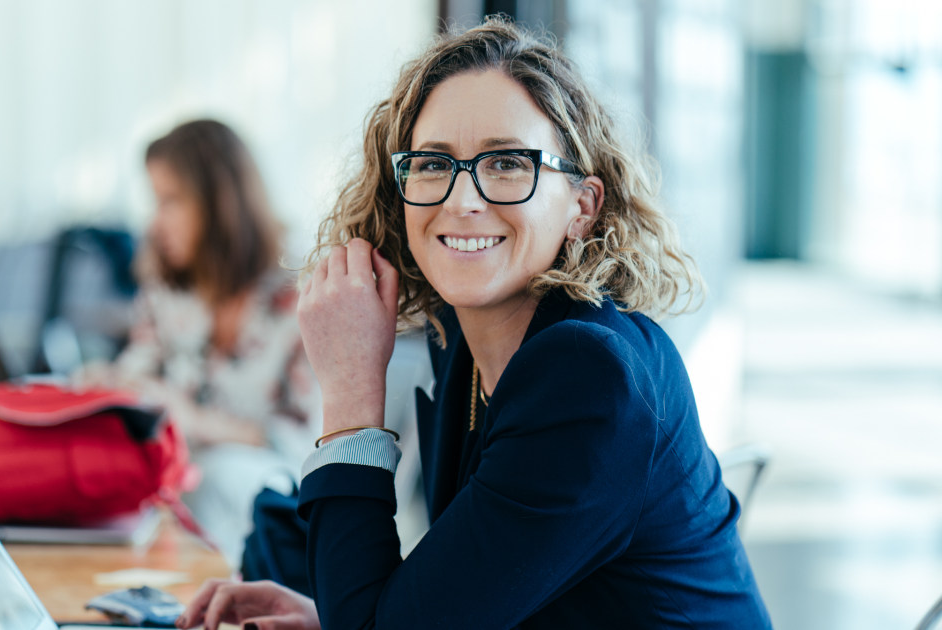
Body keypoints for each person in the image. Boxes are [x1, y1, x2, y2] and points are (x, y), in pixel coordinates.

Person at [178, 18, 771, 630]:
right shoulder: (465, 345)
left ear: (582, 207)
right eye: (434, 165)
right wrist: (331, 616)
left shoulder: (590, 377)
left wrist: (352, 396)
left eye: (509, 163)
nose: (462, 200)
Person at [84, 119, 319, 565]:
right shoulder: (167, 291)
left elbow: (308, 442)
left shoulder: (301, 294)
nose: (155, 223)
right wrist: (108, 385)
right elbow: (140, 373)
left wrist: (195, 420)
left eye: (170, 201)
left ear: (218, 202)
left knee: (213, 479)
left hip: (272, 491)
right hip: (183, 481)